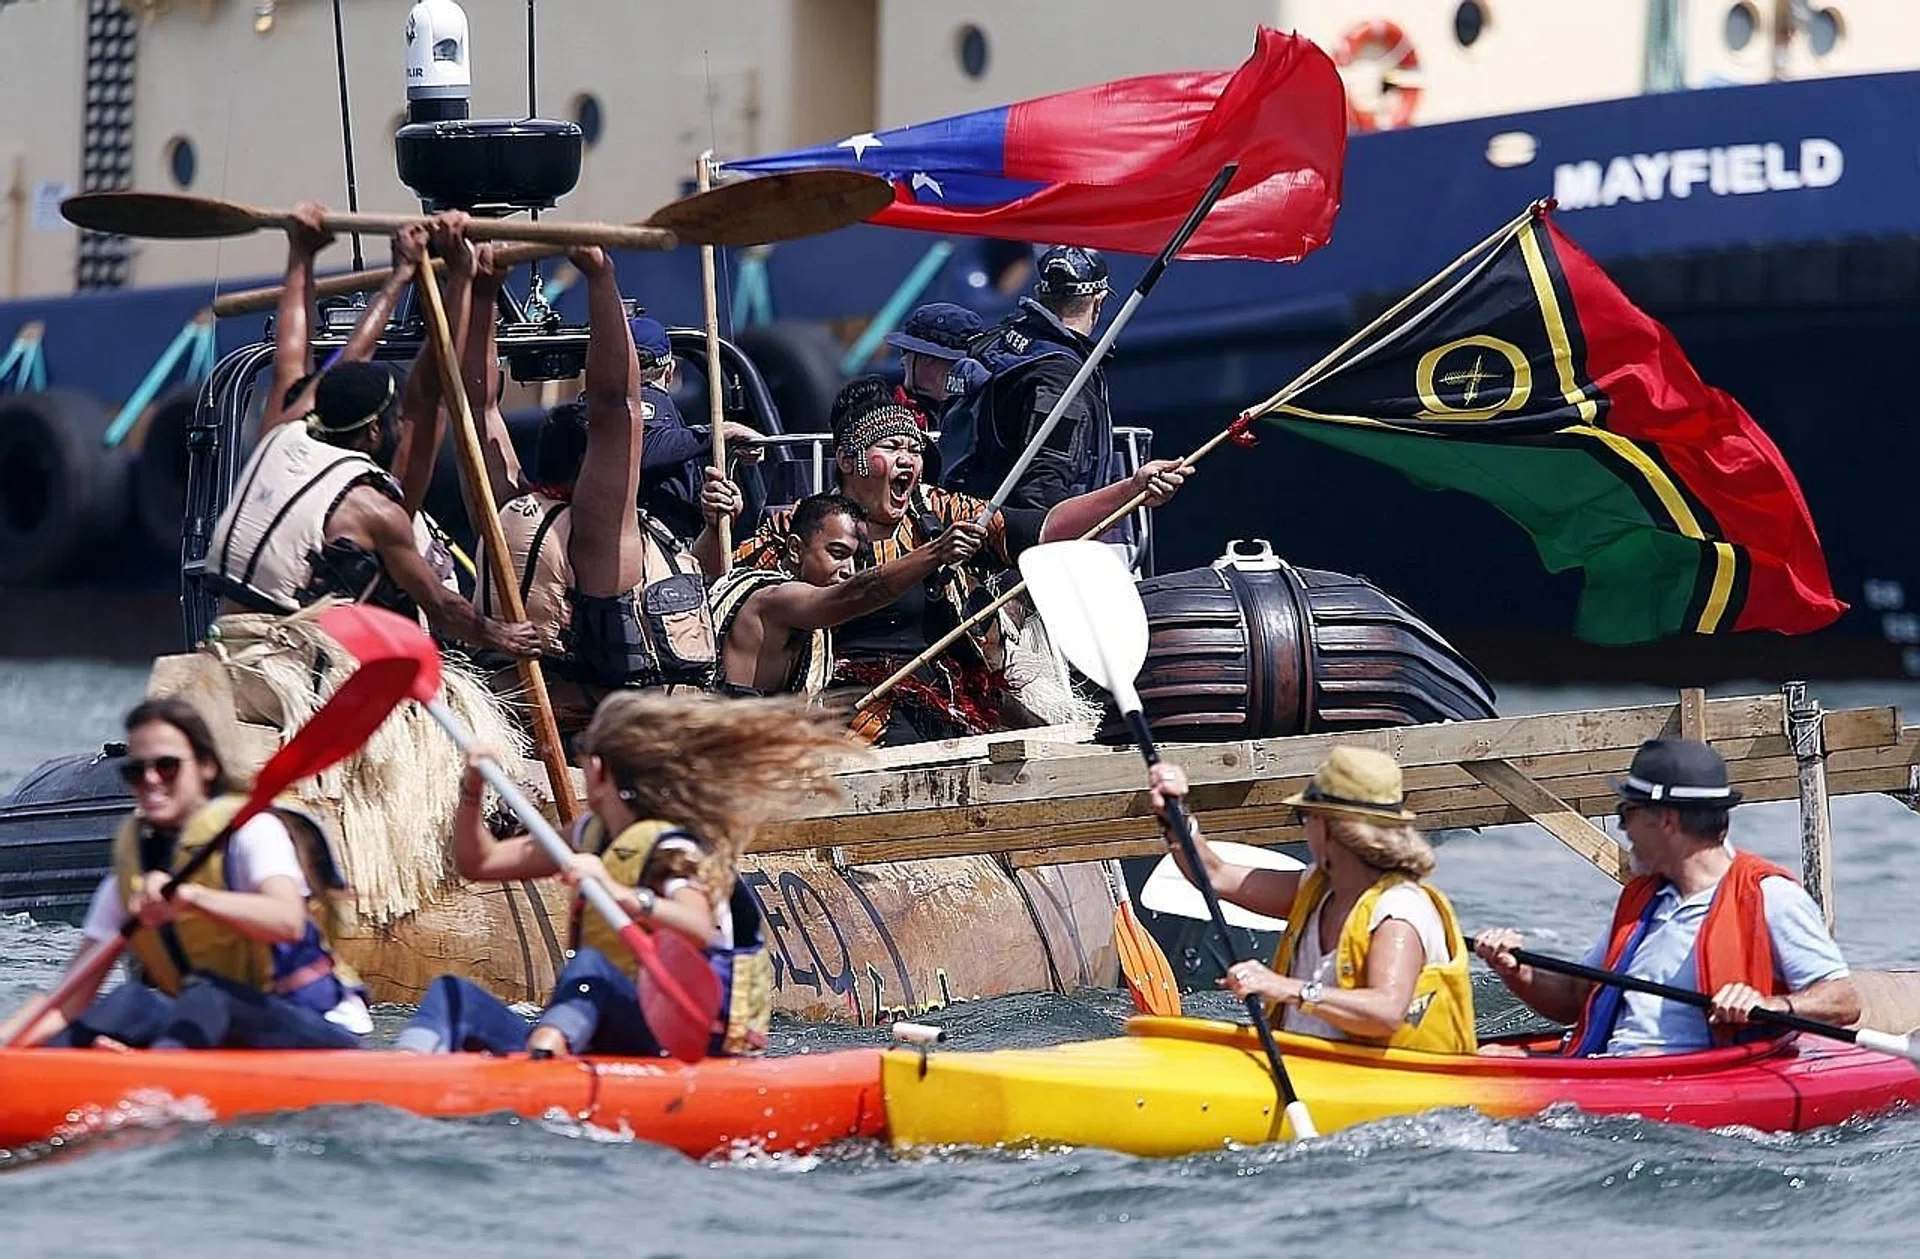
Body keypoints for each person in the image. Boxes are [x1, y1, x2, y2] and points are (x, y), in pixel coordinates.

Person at [699, 375, 1189, 745]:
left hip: (951, 699)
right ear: (848, 463)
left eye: (914, 448)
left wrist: (1131, 489)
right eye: (890, 448)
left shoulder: (942, 511)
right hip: (846, 710)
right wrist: (712, 523)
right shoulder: (806, 528)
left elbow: (1042, 532)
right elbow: (724, 597)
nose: (908, 459)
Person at [394, 690, 845, 1058]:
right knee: (453, 996)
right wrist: (471, 789)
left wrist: (618, 893)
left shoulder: (674, 848)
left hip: (689, 1034)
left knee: (593, 967)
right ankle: (406, 1074)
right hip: (614, 1024)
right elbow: (481, 863)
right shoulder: (591, 833)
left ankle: (544, 1064)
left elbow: (699, 927)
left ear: (598, 769)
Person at [204, 215, 538, 658]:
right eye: (396, 417)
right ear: (375, 429)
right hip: (286, 663)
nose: (404, 423)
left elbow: (310, 352)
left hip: (223, 637)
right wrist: (502, 636)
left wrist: (308, 253)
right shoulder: (378, 511)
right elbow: (441, 609)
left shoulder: (285, 430)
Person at [0, 698, 369, 1050]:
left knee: (208, 995)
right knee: (130, 1000)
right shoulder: (130, 877)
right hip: (210, 1025)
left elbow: (286, 920)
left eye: (167, 766)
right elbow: (69, 1000)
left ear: (206, 766)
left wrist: (193, 898)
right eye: (135, 771)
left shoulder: (251, 833)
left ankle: (159, 1092)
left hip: (316, 1022)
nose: (151, 781)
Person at [1474, 737, 1860, 1056]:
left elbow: (1844, 1000)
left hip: (1692, 1085)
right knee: (1489, 1055)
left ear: (1667, 820)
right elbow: (1575, 999)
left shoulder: (1769, 896)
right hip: (1609, 1070)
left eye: (1626, 813)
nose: (1623, 829)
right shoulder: (1642, 898)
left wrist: (1776, 1006)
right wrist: (1515, 969)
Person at [465, 245, 717, 730]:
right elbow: (614, 406)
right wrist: (601, 276)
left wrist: (483, 291)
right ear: (591, 469)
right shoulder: (599, 533)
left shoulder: (504, 505)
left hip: (509, 715)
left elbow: (478, 405)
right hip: (595, 728)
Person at [1149, 746, 1477, 1053]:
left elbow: (1386, 1012)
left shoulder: (1397, 911)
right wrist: (1176, 816)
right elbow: (1215, 875)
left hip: (1388, 1084)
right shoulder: (1317, 888)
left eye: (1305, 817)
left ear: (1329, 829)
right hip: (1308, 1063)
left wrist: (1283, 987)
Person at [705, 490, 984, 699]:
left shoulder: (813, 623)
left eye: (856, 559)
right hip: (722, 757)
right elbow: (862, 592)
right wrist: (936, 552)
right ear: (794, 549)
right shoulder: (774, 599)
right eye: (837, 554)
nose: (848, 570)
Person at [938, 245, 1119, 513]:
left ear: (1040, 292)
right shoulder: (1060, 374)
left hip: (962, 516)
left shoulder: (994, 342)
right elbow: (1044, 482)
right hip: (1014, 538)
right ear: (1099, 301)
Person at [620, 315, 766, 543]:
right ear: (669, 371)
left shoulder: (586, 411)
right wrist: (722, 432)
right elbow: (641, 450)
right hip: (653, 556)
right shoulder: (644, 398)